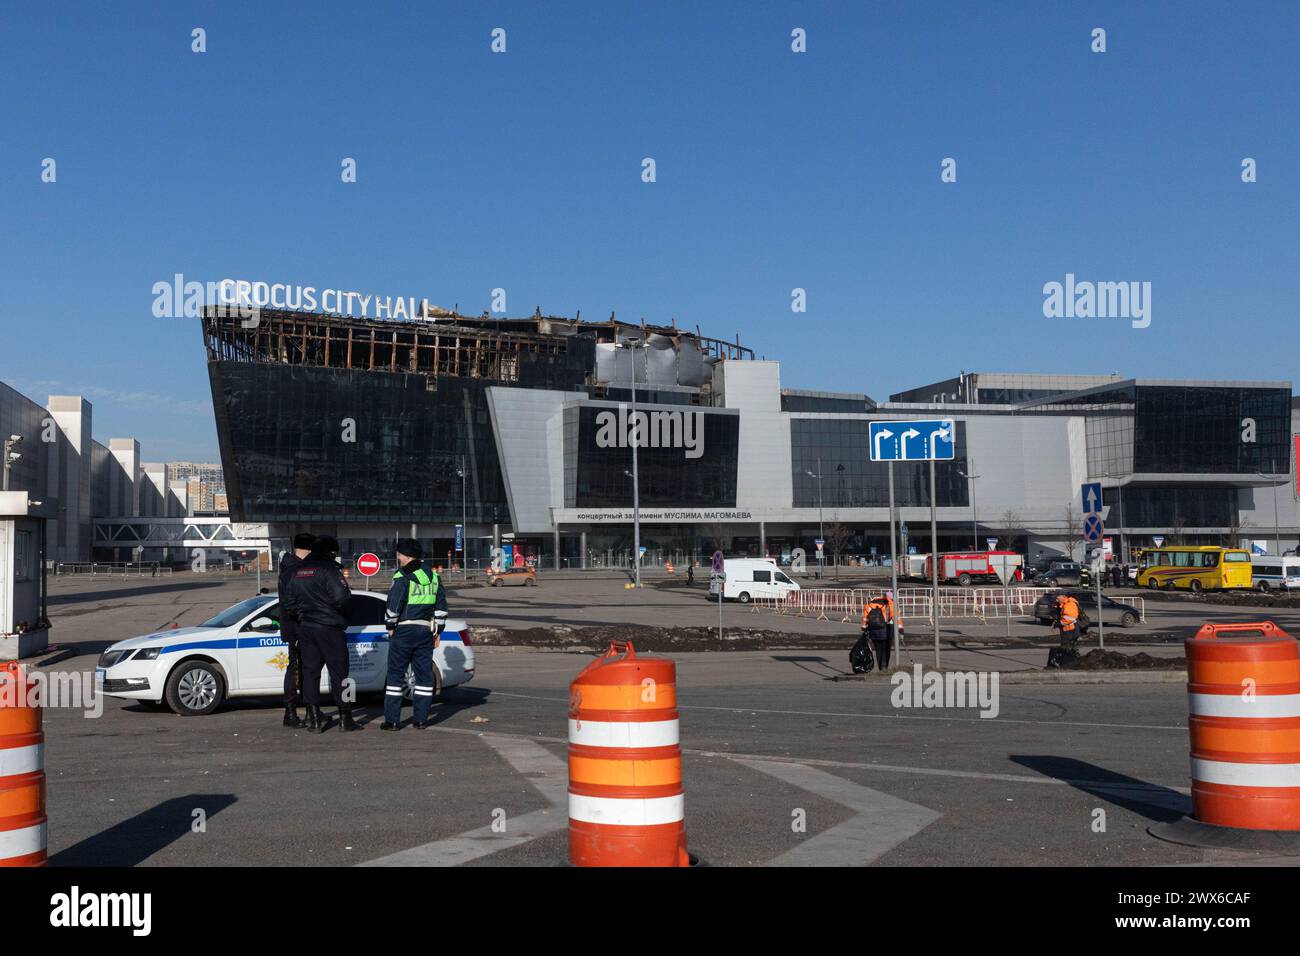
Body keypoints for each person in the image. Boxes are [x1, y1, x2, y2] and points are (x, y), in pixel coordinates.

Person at [286, 535, 360, 732]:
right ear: (331, 552)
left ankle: (314, 717)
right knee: (340, 672)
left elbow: (289, 604)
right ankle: (346, 717)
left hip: (305, 628)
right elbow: (342, 598)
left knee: (310, 672)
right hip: (330, 628)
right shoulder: (329, 569)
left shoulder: (297, 571)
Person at [381, 539, 448, 731]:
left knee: (395, 675)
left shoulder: (402, 576)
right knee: (424, 677)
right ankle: (421, 720)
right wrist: (438, 630)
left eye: (399, 554)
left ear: (407, 556)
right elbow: (441, 607)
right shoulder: (434, 577)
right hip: (426, 631)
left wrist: (390, 625)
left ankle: (392, 721)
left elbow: (394, 605)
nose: (398, 557)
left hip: (404, 630)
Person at [277, 532, 316, 728]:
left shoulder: (287, 567)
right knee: (298, 670)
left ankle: (304, 711)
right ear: (307, 550)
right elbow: (294, 602)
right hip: (299, 627)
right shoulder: (295, 570)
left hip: (293, 627)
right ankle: (293, 713)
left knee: (299, 668)